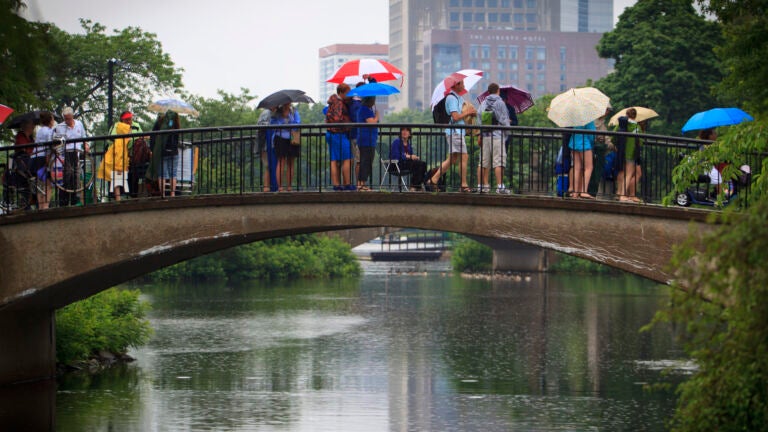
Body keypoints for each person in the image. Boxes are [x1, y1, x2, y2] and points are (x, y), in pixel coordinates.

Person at [427, 79, 476, 192]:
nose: (464, 85)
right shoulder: (451, 98)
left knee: (452, 159)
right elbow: (455, 117)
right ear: (457, 85)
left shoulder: (459, 98)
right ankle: (463, 185)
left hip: (457, 132)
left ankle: (433, 180)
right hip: (455, 132)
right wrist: (468, 113)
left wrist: (470, 111)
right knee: (464, 157)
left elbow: (462, 113)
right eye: (462, 83)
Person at [476, 83, 511, 194]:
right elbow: (505, 120)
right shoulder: (500, 103)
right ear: (498, 90)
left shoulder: (483, 103)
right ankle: (500, 187)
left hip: (485, 136)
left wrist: (480, 134)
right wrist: (506, 134)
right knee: (499, 162)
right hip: (497, 136)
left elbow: (479, 118)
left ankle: (481, 186)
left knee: (483, 162)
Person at [53, 106, 88, 206]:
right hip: (65, 154)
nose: (67, 121)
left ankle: (74, 200)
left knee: (75, 177)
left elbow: (83, 137)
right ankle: (63, 202)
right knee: (66, 178)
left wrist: (86, 144)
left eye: (68, 118)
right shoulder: (60, 127)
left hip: (76, 153)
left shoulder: (79, 124)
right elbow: (56, 143)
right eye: (65, 118)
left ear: (72, 116)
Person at [325, 83, 355, 191]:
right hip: (338, 133)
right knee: (347, 159)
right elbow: (337, 118)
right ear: (341, 93)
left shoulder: (333, 101)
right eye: (347, 93)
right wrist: (346, 123)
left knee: (334, 159)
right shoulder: (339, 103)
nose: (349, 95)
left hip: (330, 133)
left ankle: (336, 185)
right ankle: (347, 183)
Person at [146, 110, 181, 197]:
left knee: (162, 174)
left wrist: (152, 149)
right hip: (173, 151)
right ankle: (172, 194)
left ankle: (163, 194)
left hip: (162, 151)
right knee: (173, 173)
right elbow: (177, 138)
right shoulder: (176, 124)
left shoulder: (160, 122)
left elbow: (152, 136)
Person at [614, 108, 644, 202]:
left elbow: (613, 137)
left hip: (621, 152)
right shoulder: (636, 127)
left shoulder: (621, 124)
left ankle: (618, 192)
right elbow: (641, 141)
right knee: (629, 174)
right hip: (631, 153)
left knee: (622, 172)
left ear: (626, 115)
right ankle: (623, 195)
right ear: (635, 116)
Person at [97, 120, 131, 201]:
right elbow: (119, 156)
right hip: (113, 164)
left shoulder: (121, 141)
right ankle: (118, 198)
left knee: (117, 181)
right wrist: (120, 168)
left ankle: (118, 197)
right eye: (129, 131)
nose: (130, 133)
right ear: (124, 132)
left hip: (114, 163)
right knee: (116, 181)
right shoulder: (120, 142)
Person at [271, 104, 301, 191]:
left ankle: (289, 186)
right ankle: (280, 187)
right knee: (281, 162)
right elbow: (273, 124)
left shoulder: (294, 111)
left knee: (291, 162)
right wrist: (283, 120)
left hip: (292, 138)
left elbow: (298, 123)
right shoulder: (277, 112)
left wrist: (289, 121)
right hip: (280, 138)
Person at [390, 127, 427, 191]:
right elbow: (395, 156)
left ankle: (417, 186)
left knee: (422, 164)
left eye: (407, 130)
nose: (404, 132)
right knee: (418, 164)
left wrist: (414, 157)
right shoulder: (397, 142)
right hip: (397, 165)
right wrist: (408, 156)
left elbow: (410, 157)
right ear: (400, 133)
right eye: (403, 130)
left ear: (409, 134)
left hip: (405, 164)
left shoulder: (408, 145)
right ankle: (414, 186)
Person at [32, 112, 56, 210]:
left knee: (40, 183)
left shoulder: (39, 131)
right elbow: (49, 146)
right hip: (43, 157)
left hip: (34, 157)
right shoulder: (49, 132)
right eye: (53, 119)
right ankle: (45, 206)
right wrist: (48, 157)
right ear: (50, 120)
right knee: (48, 183)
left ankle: (40, 205)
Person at [568, 120, 596, 199]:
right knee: (589, 167)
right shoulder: (588, 118)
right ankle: (584, 191)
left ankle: (575, 192)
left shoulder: (576, 118)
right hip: (584, 143)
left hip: (574, 142)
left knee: (577, 168)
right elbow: (592, 133)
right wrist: (593, 142)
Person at [356, 96, 379, 191]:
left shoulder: (367, 110)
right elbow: (371, 122)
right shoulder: (365, 109)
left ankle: (362, 183)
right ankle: (361, 184)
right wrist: (377, 116)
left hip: (369, 140)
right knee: (366, 162)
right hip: (366, 140)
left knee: (367, 162)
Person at [257, 107, 277, 192]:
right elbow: (260, 126)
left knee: (273, 166)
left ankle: (273, 186)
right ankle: (266, 187)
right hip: (265, 144)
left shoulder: (277, 113)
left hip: (272, 145)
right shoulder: (266, 113)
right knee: (268, 166)